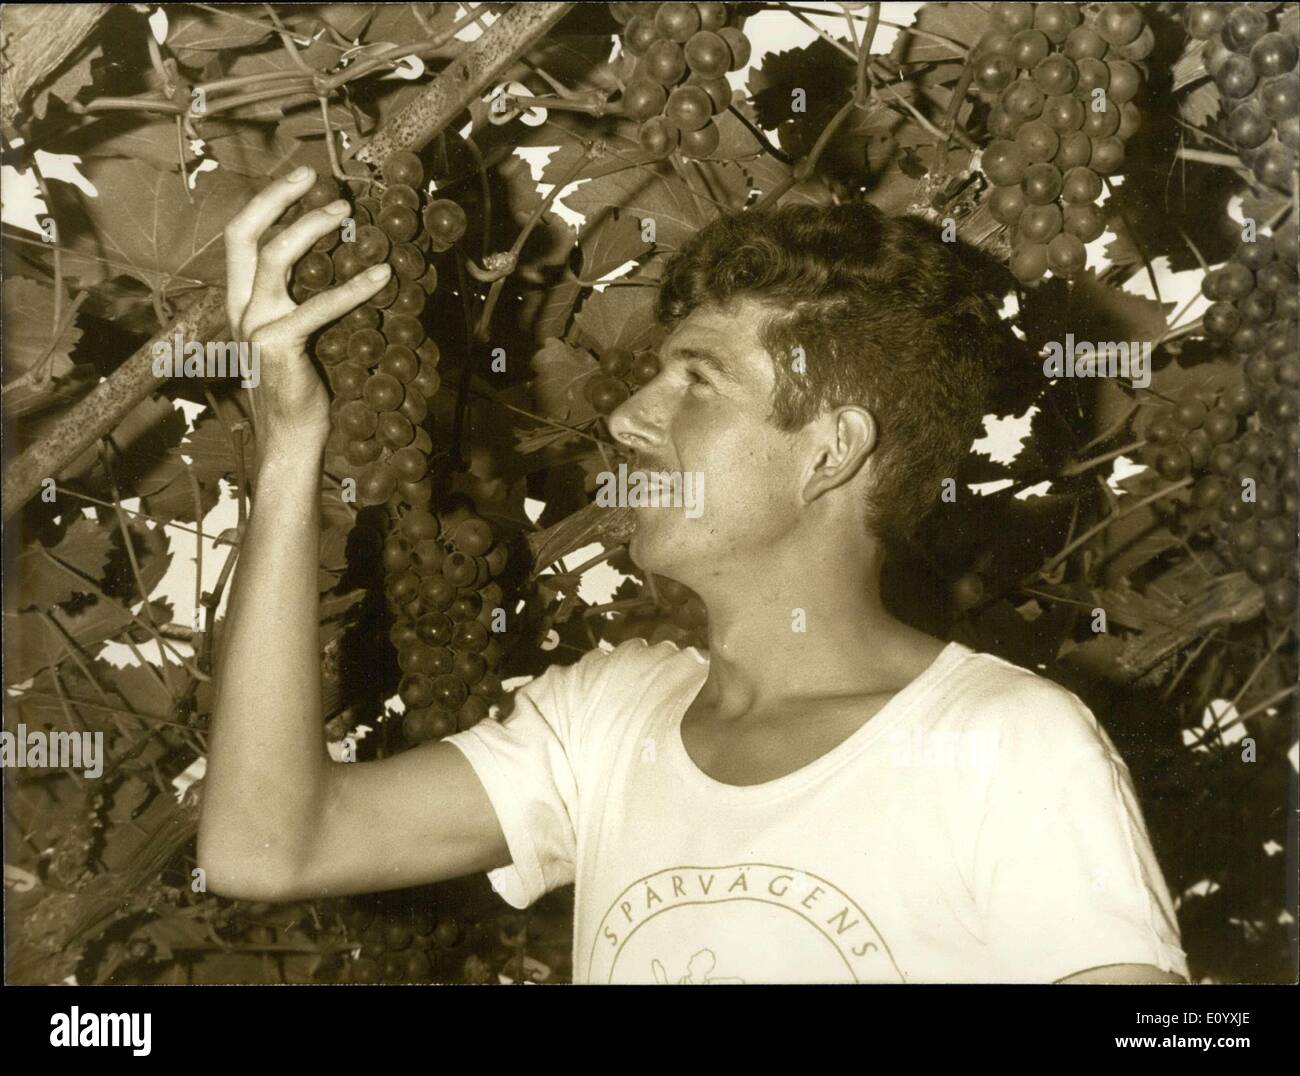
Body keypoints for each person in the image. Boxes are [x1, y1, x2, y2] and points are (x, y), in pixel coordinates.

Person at [198, 166, 1190, 985]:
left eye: (697, 379)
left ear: (831, 450)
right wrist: (288, 443)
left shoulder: (1005, 741)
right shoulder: (603, 719)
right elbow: (264, 844)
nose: (628, 416)